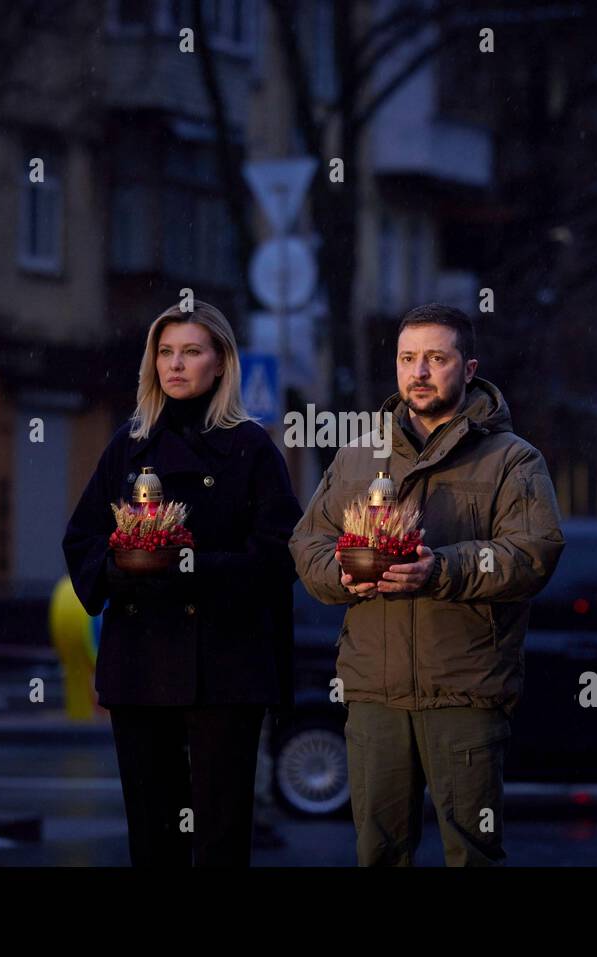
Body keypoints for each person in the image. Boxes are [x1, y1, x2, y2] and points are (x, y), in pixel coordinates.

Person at [290, 303, 564, 866]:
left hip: (465, 690)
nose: (419, 372)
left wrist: (441, 570)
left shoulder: (512, 460)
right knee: (379, 854)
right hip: (373, 692)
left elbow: (532, 553)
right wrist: (342, 575)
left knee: (473, 853)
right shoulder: (358, 456)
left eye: (436, 359)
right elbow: (307, 543)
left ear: (468, 369)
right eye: (407, 358)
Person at [62, 300, 300, 867]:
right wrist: (124, 569)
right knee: (152, 837)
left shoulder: (251, 448)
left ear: (221, 363)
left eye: (192, 352)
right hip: (141, 664)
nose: (176, 364)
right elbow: (82, 539)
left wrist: (193, 566)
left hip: (226, 665)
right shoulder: (129, 443)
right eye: (165, 352)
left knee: (220, 838)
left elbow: (278, 555)